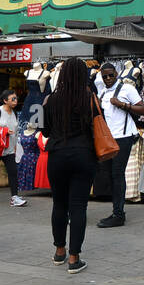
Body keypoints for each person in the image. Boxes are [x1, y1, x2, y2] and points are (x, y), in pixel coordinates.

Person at [43, 57, 100, 273]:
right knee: (78, 206)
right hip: (84, 155)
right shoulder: (91, 98)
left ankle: (59, 251)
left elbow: (44, 131)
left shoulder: (50, 99)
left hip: (57, 155)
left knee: (59, 204)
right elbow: (98, 126)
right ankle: (74, 258)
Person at [94, 62, 144, 228]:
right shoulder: (102, 91)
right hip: (108, 138)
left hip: (124, 137)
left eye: (111, 75)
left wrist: (123, 104)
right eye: (105, 76)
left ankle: (118, 215)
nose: (108, 78)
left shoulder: (127, 89)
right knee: (109, 174)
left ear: (116, 74)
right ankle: (117, 211)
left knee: (117, 174)